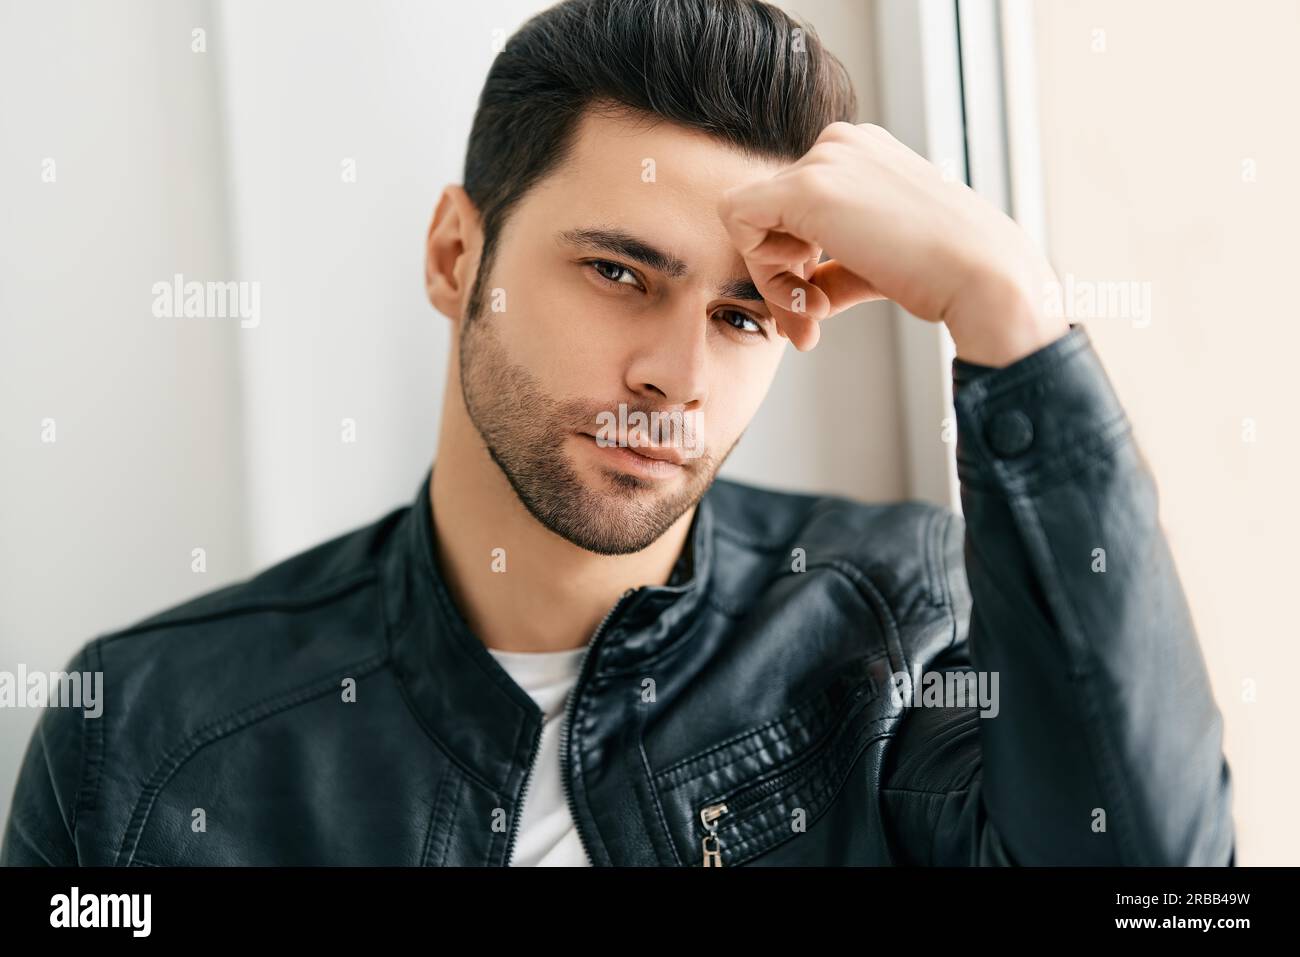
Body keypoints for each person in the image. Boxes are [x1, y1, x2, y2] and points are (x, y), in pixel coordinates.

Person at [1, 0, 1233, 867]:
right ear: (454, 256)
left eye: (743, 315)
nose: (673, 375)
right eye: (618, 273)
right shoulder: (150, 731)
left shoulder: (894, 626)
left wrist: (1007, 307)